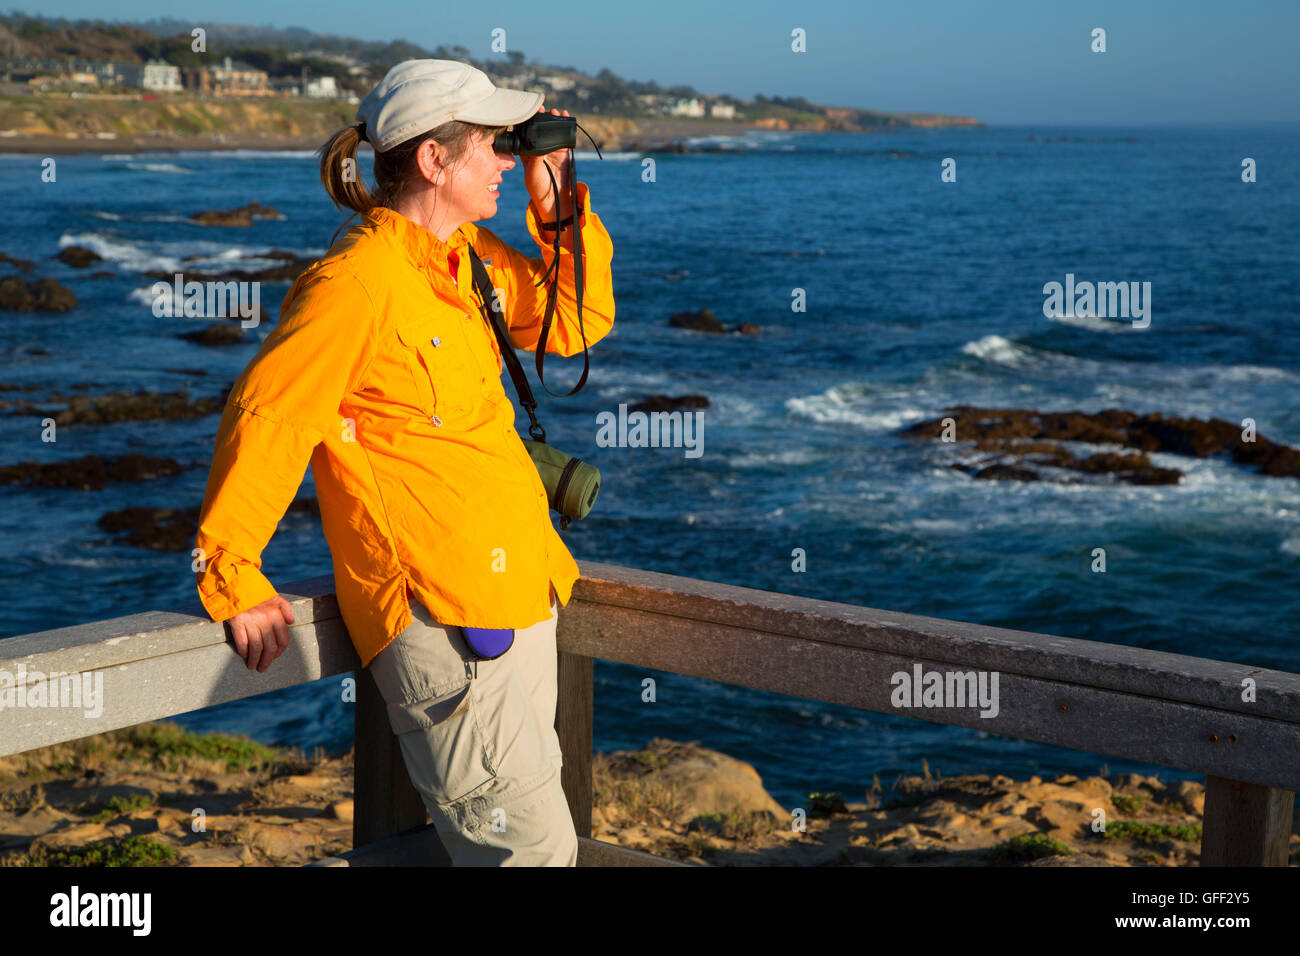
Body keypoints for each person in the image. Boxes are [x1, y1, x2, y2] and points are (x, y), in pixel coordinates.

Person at [192, 58, 616, 866]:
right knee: (533, 857)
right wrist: (233, 574)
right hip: (445, 622)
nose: (505, 162)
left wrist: (557, 210)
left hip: (521, 595)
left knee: (520, 849)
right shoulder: (357, 282)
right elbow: (271, 412)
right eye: (493, 146)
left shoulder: (468, 259)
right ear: (434, 160)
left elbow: (574, 323)